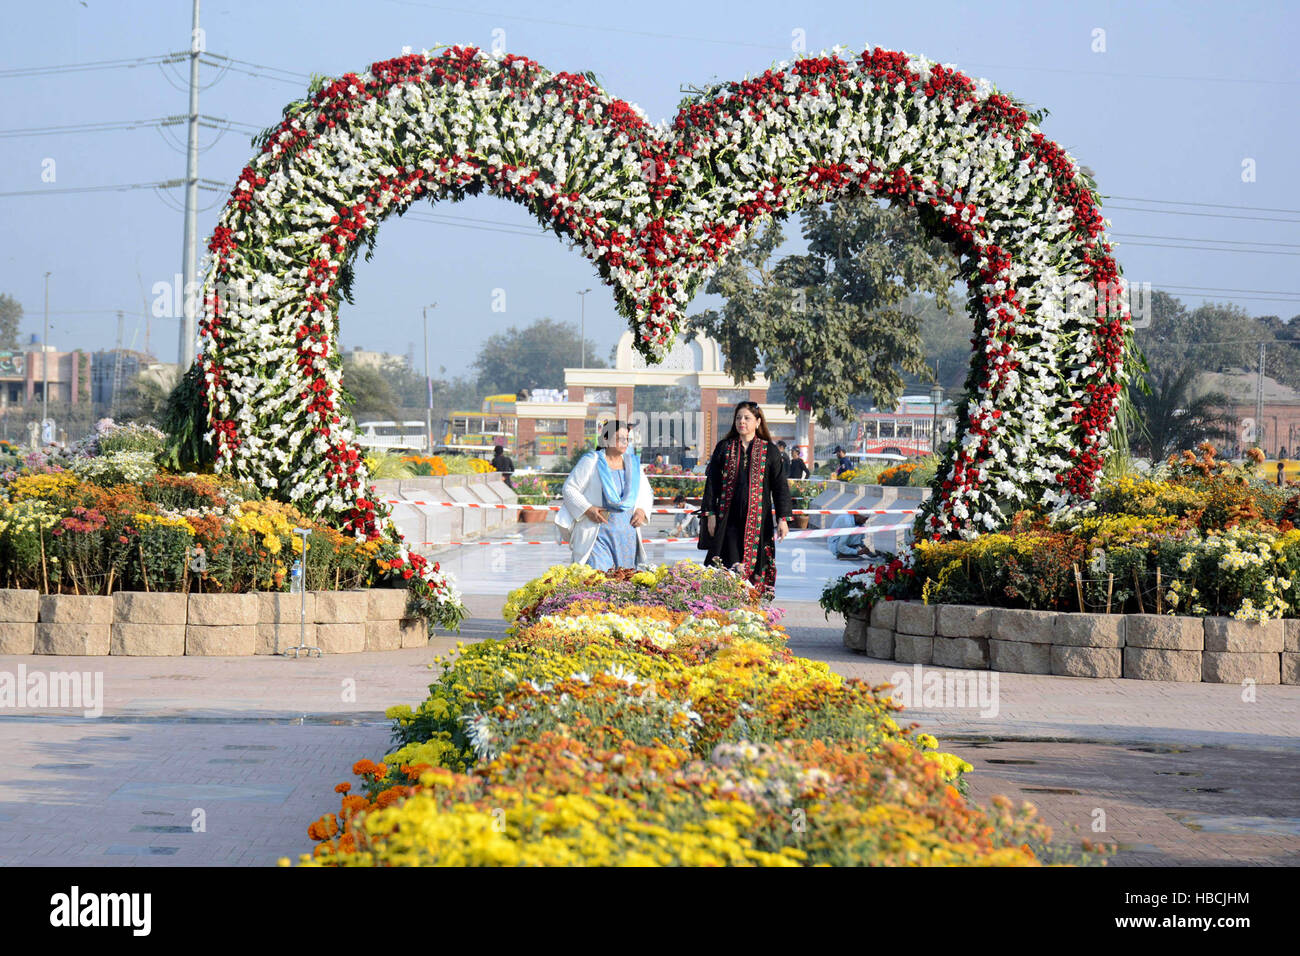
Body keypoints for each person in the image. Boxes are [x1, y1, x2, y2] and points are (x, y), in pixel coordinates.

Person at [701, 401, 792, 594]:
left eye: (747, 418)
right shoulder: (724, 448)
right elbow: (712, 484)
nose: (742, 421)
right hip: (727, 520)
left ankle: (753, 607)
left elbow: (780, 487)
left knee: (757, 567)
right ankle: (726, 605)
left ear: (758, 422)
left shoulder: (770, 451)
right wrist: (709, 513)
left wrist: (783, 519)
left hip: (759, 522)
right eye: (738, 418)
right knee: (726, 564)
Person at [556, 420, 653, 569]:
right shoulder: (591, 462)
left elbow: (646, 492)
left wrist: (641, 511)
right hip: (597, 534)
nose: (624, 442)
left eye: (626, 439)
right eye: (619, 438)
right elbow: (569, 489)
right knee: (598, 579)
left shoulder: (633, 465)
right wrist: (588, 509)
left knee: (622, 583)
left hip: (626, 537)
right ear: (605, 439)